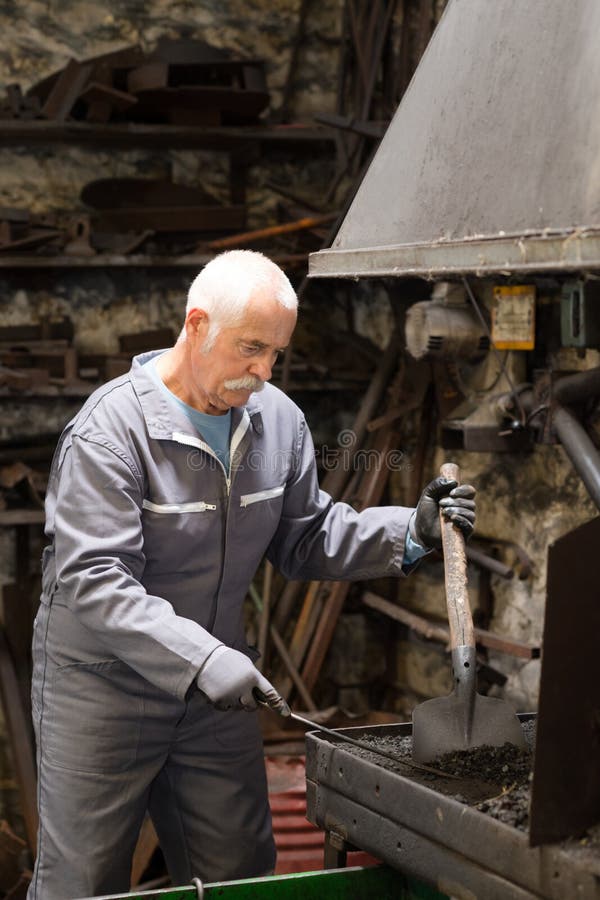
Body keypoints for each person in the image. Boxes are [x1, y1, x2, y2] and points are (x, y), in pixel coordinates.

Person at [28, 250, 476, 899]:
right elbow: (96, 580)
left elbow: (308, 535)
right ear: (197, 323)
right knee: (84, 883)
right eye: (251, 348)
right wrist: (203, 658)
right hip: (102, 692)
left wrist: (412, 530)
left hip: (215, 696)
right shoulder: (109, 434)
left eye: (277, 354)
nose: (264, 371)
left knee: (239, 874)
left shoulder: (280, 424)